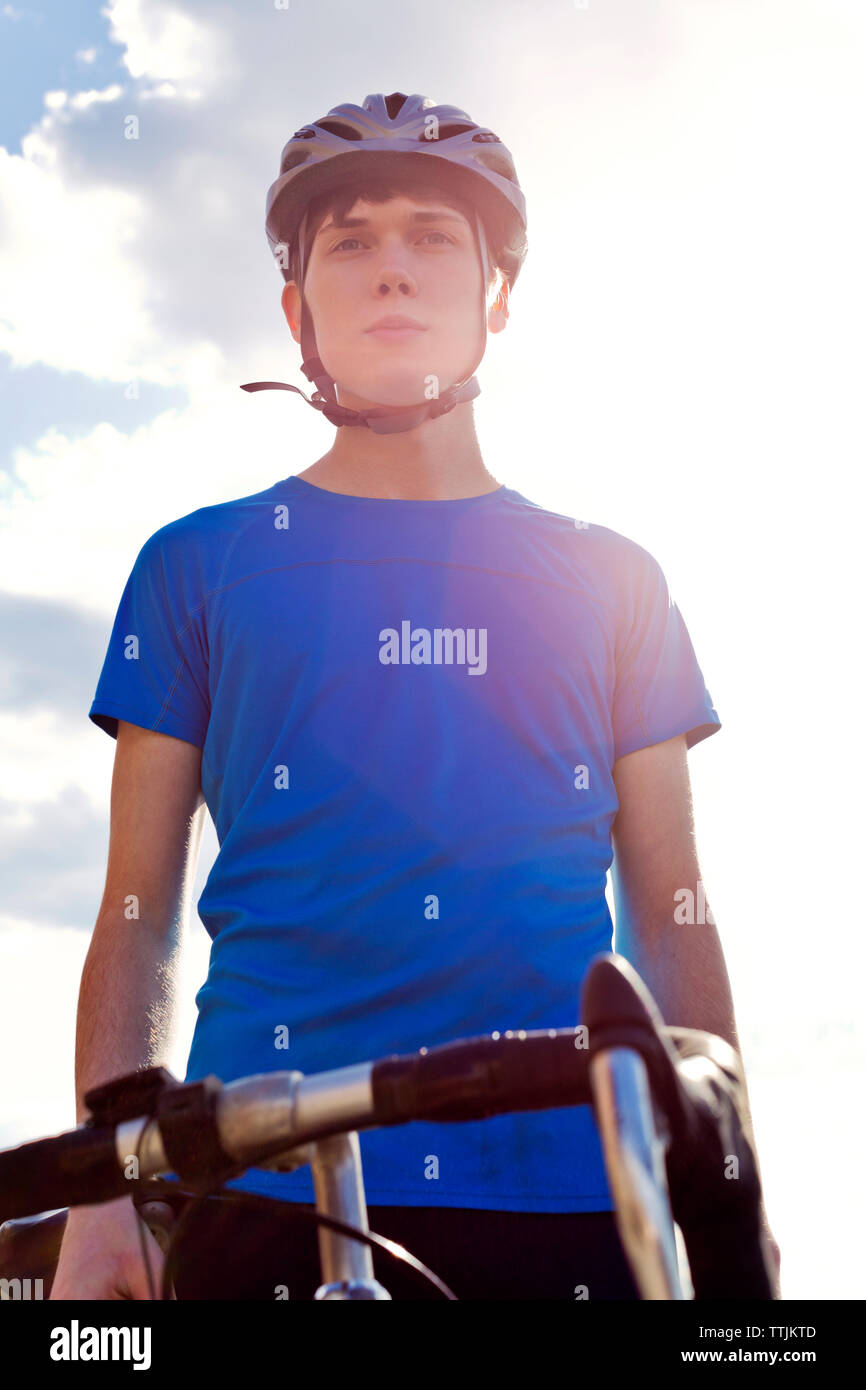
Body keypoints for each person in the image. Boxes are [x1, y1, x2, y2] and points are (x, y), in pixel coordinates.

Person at [50, 91, 780, 1301]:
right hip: (259, 1177)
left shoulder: (613, 576)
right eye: (350, 242)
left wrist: (728, 1187)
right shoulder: (196, 564)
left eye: (433, 236)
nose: (391, 269)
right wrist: (104, 1180)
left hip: (577, 1179)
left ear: (496, 297)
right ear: (298, 311)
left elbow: (671, 907)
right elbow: (135, 907)